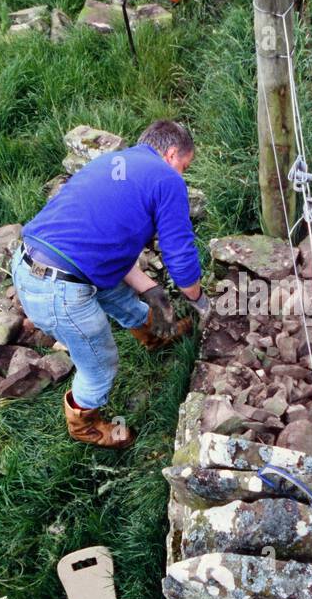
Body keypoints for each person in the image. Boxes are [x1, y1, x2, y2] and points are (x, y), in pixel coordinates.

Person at [12, 120, 210, 448]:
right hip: (59, 289)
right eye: (184, 167)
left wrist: (150, 287)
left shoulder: (113, 164)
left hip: (30, 262)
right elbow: (180, 254)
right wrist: (200, 301)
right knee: (100, 365)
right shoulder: (167, 179)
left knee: (122, 298)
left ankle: (157, 335)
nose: (182, 175)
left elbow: (104, 241)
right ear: (172, 154)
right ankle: (85, 425)